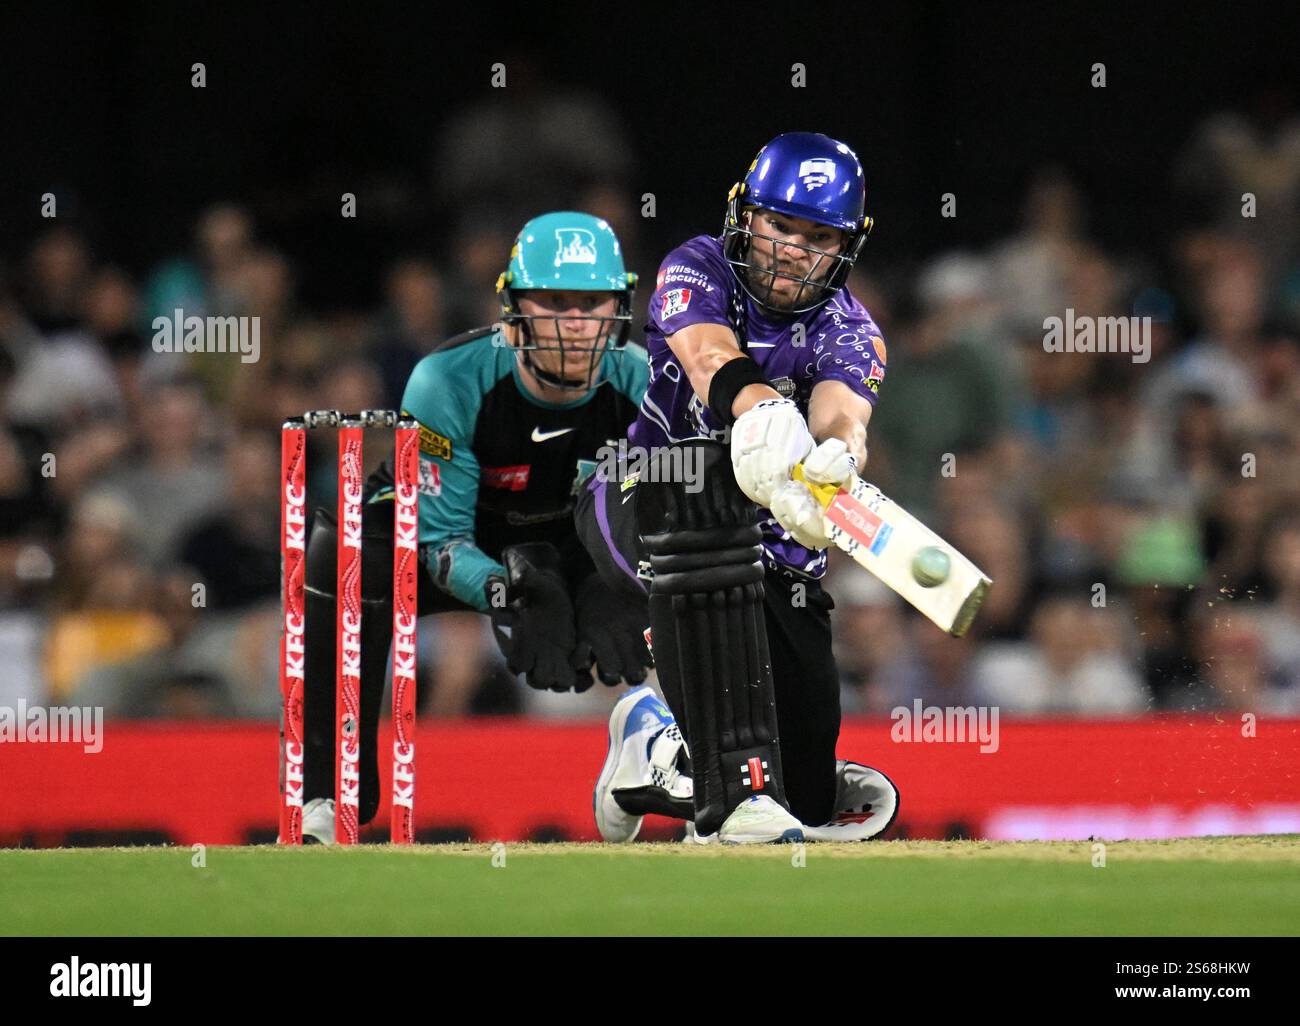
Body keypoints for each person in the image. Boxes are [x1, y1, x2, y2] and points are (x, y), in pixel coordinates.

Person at [298, 212, 690, 843]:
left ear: (620, 307)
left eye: (592, 304)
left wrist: (614, 580)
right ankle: (327, 792)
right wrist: (511, 590)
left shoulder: (643, 381)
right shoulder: (448, 378)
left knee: (694, 572)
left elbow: (658, 511)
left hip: (570, 541)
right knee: (338, 553)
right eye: (555, 303)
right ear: (513, 308)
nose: (575, 323)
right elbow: (441, 538)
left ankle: (661, 748)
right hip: (454, 539)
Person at [577, 133, 900, 844]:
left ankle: (654, 746)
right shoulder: (693, 267)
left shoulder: (853, 329)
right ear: (744, 215)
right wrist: (764, 414)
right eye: (779, 224)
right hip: (648, 490)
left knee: (808, 804)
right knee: (705, 577)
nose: (792, 248)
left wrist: (836, 459)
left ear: (848, 246)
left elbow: (845, 411)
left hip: (771, 551)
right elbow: (710, 357)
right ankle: (711, 775)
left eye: (818, 235)